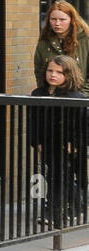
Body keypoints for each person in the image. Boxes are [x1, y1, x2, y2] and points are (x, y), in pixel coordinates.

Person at [29, 54, 88, 228]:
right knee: (58, 177)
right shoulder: (38, 94)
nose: (52, 75)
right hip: (47, 143)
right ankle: (78, 204)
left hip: (68, 145)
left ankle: (52, 212)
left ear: (69, 75)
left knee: (59, 176)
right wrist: (36, 141)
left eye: (59, 72)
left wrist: (76, 143)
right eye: (50, 70)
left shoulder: (76, 97)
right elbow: (33, 120)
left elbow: (84, 125)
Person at [34, 1, 89, 93]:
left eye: (62, 19)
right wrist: (46, 93)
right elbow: (39, 71)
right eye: (53, 19)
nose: (57, 23)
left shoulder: (85, 39)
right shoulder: (45, 40)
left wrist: (82, 96)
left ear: (72, 20)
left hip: (80, 98)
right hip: (51, 97)